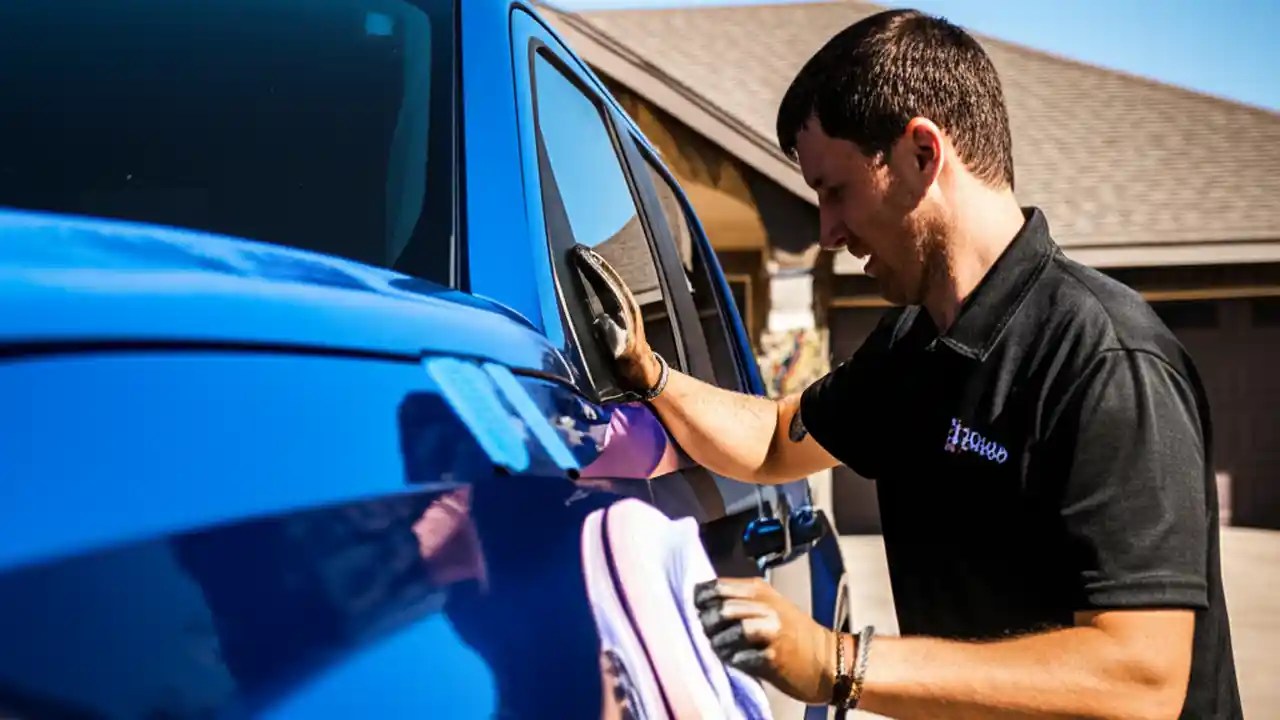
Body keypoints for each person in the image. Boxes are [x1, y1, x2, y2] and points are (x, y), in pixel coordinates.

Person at [595, 8, 1241, 719]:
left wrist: (837, 663)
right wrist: (649, 374)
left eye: (835, 191)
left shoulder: (1104, 355)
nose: (828, 232)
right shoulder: (911, 349)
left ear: (921, 155)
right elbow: (778, 440)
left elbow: (1140, 677)